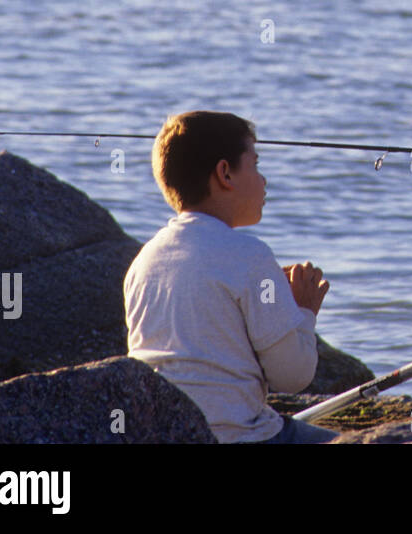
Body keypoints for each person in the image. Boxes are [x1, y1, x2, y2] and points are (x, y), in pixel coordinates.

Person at [124, 110, 339, 443]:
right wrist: (303, 311)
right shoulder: (251, 257)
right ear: (225, 173)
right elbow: (293, 376)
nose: (264, 179)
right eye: (255, 164)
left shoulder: (143, 262)